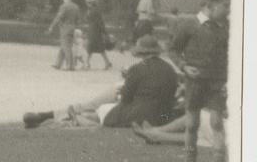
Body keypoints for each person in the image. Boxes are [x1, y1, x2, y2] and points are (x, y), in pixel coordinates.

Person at [23, 35, 179, 130]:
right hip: (160, 116)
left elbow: (126, 99)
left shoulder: (138, 68)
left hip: (137, 114)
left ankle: (49, 116)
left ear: (141, 52)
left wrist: (122, 91)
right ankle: (50, 116)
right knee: (96, 108)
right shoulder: (169, 69)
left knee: (96, 108)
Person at [167, 0, 230, 162]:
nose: (229, 10)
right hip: (195, 82)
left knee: (216, 122)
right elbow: (173, 50)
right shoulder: (189, 25)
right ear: (210, 6)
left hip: (218, 82)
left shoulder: (227, 28)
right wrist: (185, 66)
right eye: (226, 5)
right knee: (192, 123)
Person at [48, 0, 81, 71]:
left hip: (65, 28)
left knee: (66, 47)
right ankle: (58, 64)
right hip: (72, 28)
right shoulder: (76, 7)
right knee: (65, 45)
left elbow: (58, 17)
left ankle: (69, 65)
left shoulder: (64, 6)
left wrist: (51, 27)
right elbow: (78, 19)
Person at [84, 0, 113, 70]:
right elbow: (101, 23)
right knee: (100, 48)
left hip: (93, 31)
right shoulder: (95, 10)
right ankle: (107, 63)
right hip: (96, 31)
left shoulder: (91, 11)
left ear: (90, 2)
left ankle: (86, 64)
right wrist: (104, 32)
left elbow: (96, 22)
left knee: (90, 48)